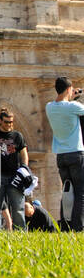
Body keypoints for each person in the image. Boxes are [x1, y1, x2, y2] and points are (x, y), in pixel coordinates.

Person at [45, 77, 84, 232]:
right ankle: (78, 226)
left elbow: (61, 103)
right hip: (76, 153)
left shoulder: (49, 107)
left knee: (67, 190)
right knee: (80, 191)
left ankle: (65, 224)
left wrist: (71, 95)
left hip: (61, 155)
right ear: (69, 89)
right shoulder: (73, 106)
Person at [0, 107, 28, 231]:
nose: (9, 124)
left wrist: (24, 168)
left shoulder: (17, 135)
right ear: (0, 121)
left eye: (11, 122)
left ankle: (20, 233)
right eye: (6, 122)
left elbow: (24, 153)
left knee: (18, 207)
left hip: (15, 176)